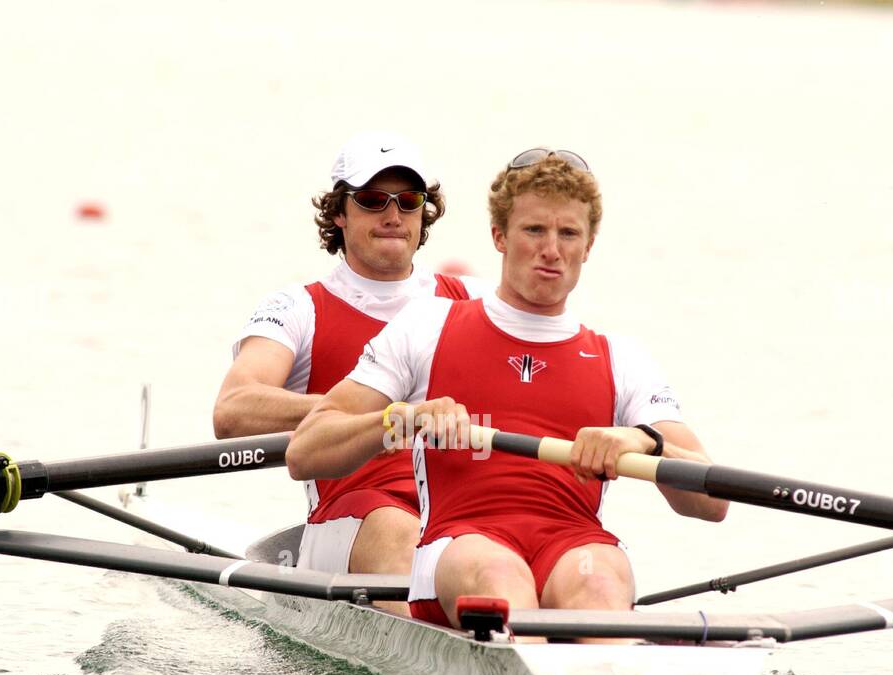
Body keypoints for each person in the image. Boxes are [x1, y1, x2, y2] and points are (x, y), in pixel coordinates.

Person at [285, 149, 727, 636]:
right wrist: (399, 419)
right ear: (500, 236)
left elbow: (712, 502)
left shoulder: (620, 356)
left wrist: (645, 442)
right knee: (504, 579)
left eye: (568, 234)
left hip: (574, 542)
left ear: (589, 245)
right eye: (534, 230)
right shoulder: (428, 325)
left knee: (601, 585)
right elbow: (306, 451)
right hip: (465, 538)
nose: (551, 250)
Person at [213, 132, 477, 586]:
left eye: (408, 200)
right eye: (373, 200)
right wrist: (378, 415)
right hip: (356, 515)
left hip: (460, 512)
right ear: (338, 211)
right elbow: (233, 411)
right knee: (402, 534)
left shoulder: (472, 301)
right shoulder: (298, 308)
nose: (393, 216)